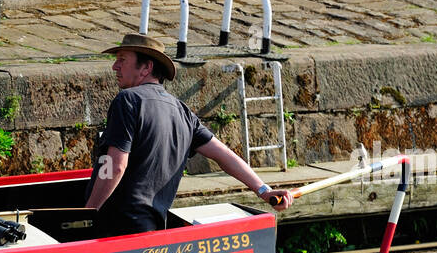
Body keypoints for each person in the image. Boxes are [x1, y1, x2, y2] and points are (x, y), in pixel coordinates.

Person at [85, 33, 293, 235]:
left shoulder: (127, 101)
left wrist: (88, 214)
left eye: (122, 60)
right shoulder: (182, 111)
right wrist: (263, 190)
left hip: (116, 229)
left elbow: (115, 166)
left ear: (147, 67)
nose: (115, 66)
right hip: (153, 230)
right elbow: (223, 155)